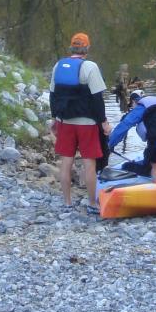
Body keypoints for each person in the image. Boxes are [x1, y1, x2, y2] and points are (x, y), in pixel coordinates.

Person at [50, 32, 110, 214]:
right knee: (89, 163)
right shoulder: (90, 67)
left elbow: (53, 96)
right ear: (87, 48)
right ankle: (92, 203)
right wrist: (104, 122)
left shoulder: (58, 66)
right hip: (87, 123)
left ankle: (67, 202)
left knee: (66, 162)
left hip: (65, 122)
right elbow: (97, 99)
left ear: (71, 47)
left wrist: (55, 119)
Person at [107, 89, 156, 182]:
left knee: (155, 168)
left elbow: (124, 125)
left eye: (131, 106)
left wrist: (110, 144)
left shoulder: (140, 107)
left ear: (134, 102)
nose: (132, 108)